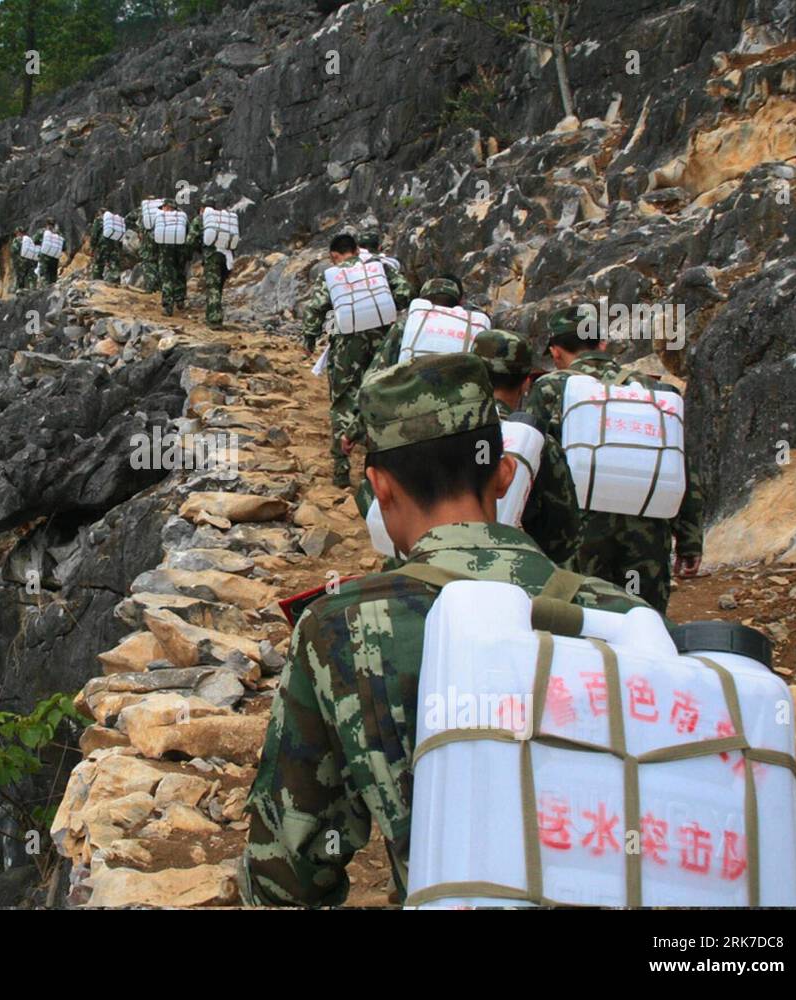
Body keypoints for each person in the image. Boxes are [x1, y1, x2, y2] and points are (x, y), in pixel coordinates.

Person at [240, 354, 652, 907]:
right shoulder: (626, 619)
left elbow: (290, 865)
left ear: (379, 486)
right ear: (504, 474)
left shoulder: (342, 626)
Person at [524, 304, 704, 613]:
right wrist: (689, 540)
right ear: (603, 344)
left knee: (580, 621)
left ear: (555, 352)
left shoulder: (551, 388)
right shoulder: (652, 388)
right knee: (644, 621)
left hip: (577, 530)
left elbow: (532, 456)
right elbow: (682, 464)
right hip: (648, 527)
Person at [301, 232, 412, 487]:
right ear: (357, 249)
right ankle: (374, 472)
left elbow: (316, 308)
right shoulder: (378, 268)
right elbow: (406, 293)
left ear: (334, 255)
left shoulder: (332, 276)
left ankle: (341, 470)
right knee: (378, 396)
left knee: (342, 401)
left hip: (346, 344)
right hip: (381, 340)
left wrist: (309, 338)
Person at [472, 327, 581, 567]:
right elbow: (562, 539)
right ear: (526, 383)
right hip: (511, 576)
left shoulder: (443, 430)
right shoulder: (542, 445)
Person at [187, 202, 233, 329]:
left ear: (202, 208)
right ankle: (213, 315)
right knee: (218, 287)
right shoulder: (223, 218)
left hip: (211, 257)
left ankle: (214, 320)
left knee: (212, 287)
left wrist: (199, 249)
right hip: (227, 258)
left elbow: (191, 240)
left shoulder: (201, 219)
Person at [153, 198, 189, 316]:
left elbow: (153, 237)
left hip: (165, 253)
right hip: (180, 252)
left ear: (165, 207)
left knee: (167, 278)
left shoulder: (160, 219)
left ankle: (168, 306)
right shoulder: (182, 218)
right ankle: (180, 301)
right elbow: (189, 233)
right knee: (180, 275)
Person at [127, 198, 161, 293]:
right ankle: (160, 288)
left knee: (148, 264)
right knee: (160, 263)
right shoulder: (163, 210)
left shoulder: (142, 210)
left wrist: (137, 230)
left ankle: (150, 289)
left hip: (147, 241)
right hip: (161, 241)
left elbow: (128, 219)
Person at [10, 227, 36, 292]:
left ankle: (20, 292)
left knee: (21, 277)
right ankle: (32, 289)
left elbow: (14, 250)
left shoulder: (17, 240)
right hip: (30, 261)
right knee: (30, 275)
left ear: (18, 232)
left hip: (21, 262)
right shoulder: (28, 239)